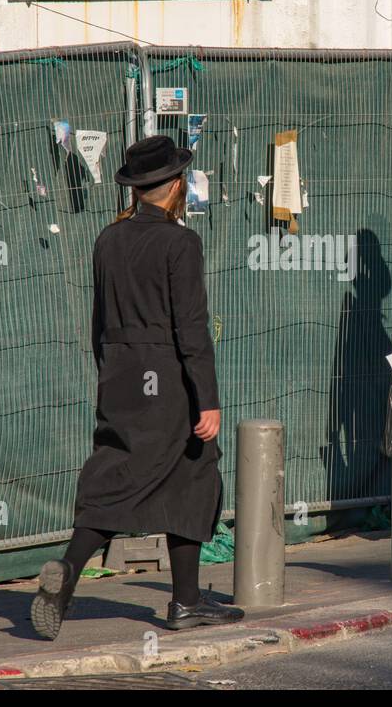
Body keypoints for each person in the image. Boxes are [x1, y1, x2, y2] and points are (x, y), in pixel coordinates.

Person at [30, 135, 244, 639]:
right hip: (167, 377)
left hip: (121, 374)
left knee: (115, 477)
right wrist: (207, 399)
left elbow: (98, 322)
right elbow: (191, 327)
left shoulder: (108, 239)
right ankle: (185, 603)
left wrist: (112, 373)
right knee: (193, 475)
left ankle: (68, 572)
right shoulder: (180, 243)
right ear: (173, 187)